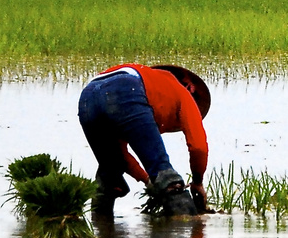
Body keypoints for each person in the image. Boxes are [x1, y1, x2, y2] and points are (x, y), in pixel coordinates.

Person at [77, 63, 211, 216]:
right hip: (126, 89)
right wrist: (197, 182)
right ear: (190, 87)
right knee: (166, 177)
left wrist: (147, 180)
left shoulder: (153, 83)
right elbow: (198, 147)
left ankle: (102, 233)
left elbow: (121, 156)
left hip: (87, 97)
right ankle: (188, 227)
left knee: (109, 175)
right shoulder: (183, 92)